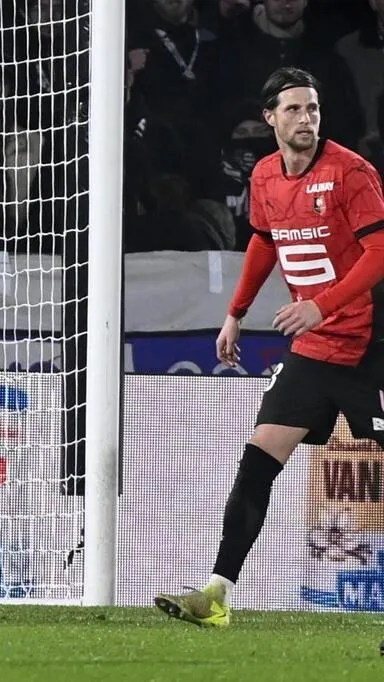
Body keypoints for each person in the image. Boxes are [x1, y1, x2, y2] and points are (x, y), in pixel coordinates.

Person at [154, 67, 384, 627]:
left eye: (313, 109)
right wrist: (234, 313)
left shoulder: (352, 173)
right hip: (316, 348)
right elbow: (264, 242)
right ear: (269, 119)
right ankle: (214, 596)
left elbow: (380, 253)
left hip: (373, 343)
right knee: (258, 461)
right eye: (294, 110)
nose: (306, 119)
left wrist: (320, 305)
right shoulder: (264, 176)